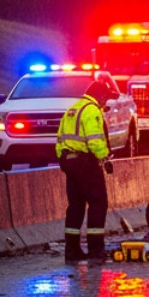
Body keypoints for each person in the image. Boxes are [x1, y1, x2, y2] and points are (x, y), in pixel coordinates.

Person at [56, 79, 114, 262]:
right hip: (85, 162)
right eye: (105, 97)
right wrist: (104, 158)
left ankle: (72, 251)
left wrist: (64, 160)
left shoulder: (73, 109)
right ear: (100, 95)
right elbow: (95, 138)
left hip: (68, 161)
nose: (106, 102)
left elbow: (60, 138)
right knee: (98, 203)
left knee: (76, 206)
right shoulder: (92, 110)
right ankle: (96, 250)